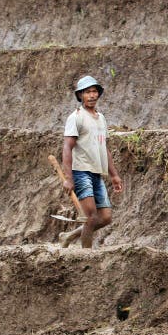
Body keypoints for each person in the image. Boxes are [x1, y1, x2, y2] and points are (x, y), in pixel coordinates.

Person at [58, 75, 123, 248]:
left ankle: (68, 236)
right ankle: (86, 255)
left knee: (106, 217)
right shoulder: (76, 117)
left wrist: (114, 175)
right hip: (80, 172)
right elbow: (67, 147)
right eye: (88, 92)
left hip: (96, 173)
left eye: (94, 92)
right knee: (91, 217)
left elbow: (104, 148)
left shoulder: (100, 118)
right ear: (80, 95)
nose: (92, 95)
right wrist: (69, 178)